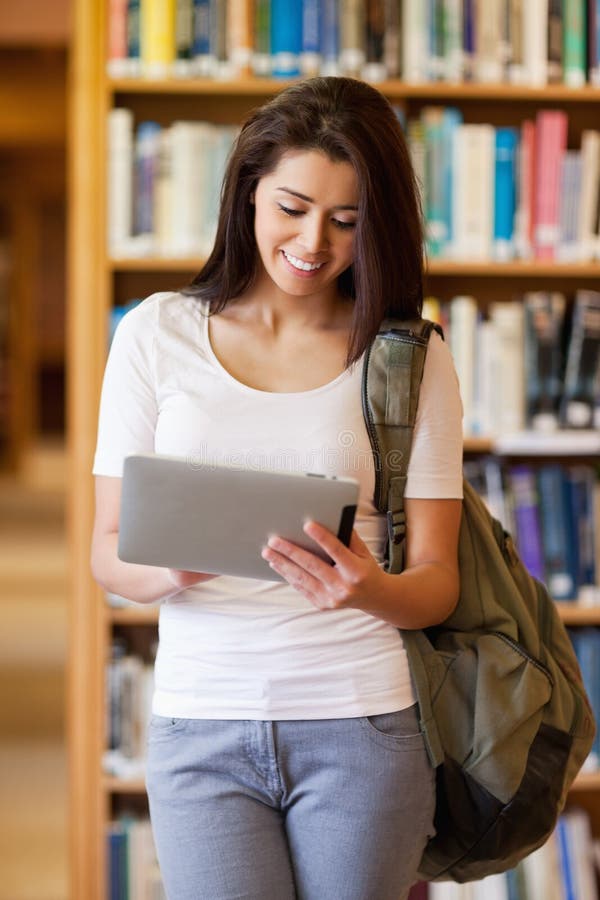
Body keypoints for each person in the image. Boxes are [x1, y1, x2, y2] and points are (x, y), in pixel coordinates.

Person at [91, 76, 464, 900]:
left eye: (346, 220)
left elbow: (438, 586)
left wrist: (370, 590)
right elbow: (107, 554)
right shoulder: (157, 333)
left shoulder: (408, 355)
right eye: (291, 207)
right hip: (200, 722)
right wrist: (173, 568)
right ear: (248, 192)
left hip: (361, 724)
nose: (312, 243)